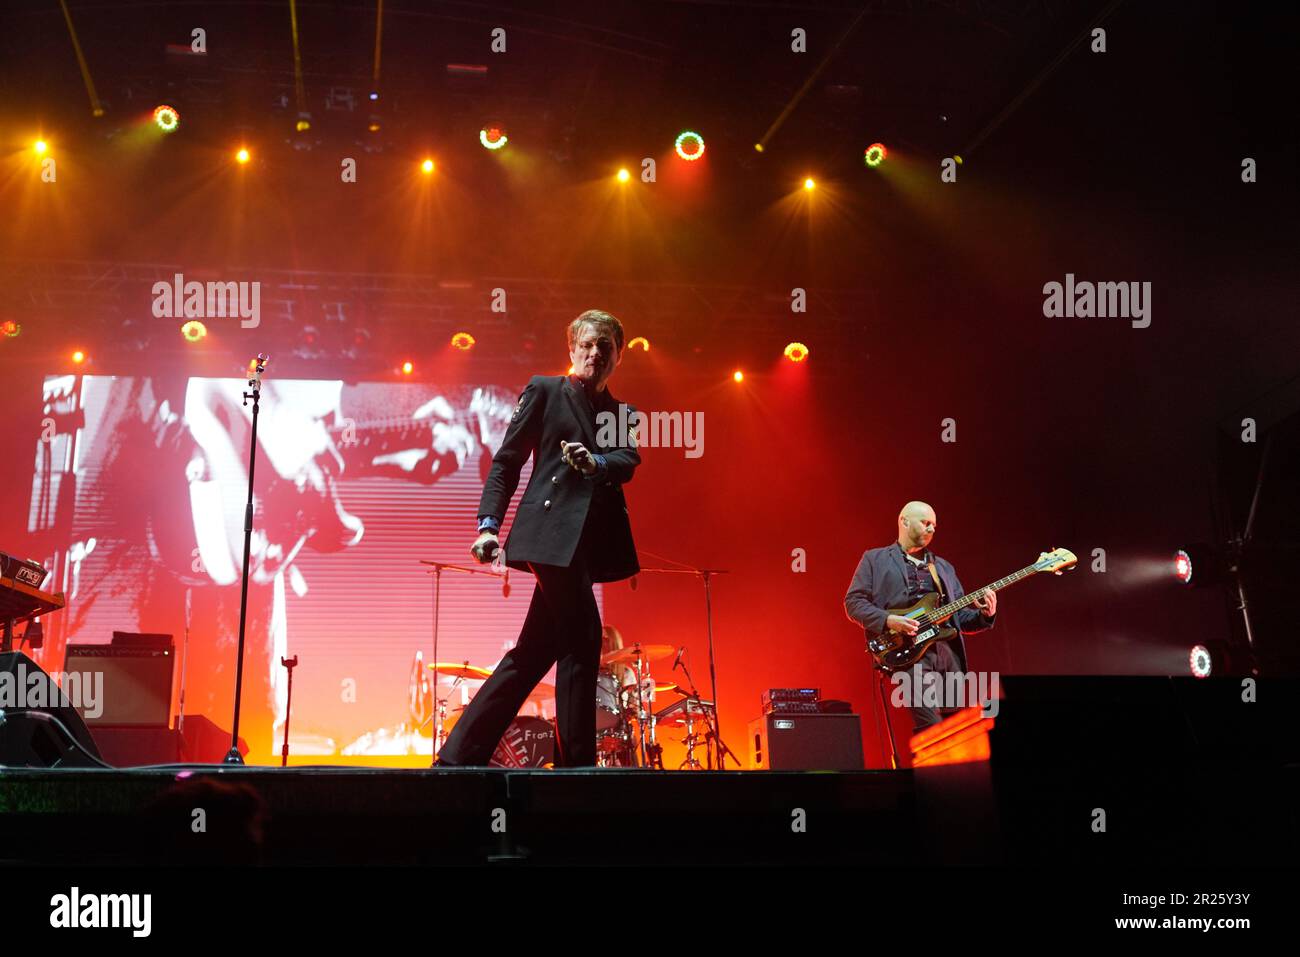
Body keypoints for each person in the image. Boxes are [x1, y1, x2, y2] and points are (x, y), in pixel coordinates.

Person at [435, 310, 641, 767]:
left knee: (533, 653)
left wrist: (597, 464)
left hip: (586, 549)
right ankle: (577, 769)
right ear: (571, 350)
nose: (594, 354)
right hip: (548, 537)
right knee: (586, 636)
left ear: (618, 356)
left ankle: (458, 754)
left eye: (604, 347)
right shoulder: (546, 391)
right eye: (586, 345)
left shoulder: (620, 413)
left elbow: (626, 458)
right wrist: (488, 526)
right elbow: (506, 462)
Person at [843, 501, 997, 732]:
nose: (932, 529)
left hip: (947, 654)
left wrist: (985, 615)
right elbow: (853, 602)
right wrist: (887, 619)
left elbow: (961, 618)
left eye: (934, 525)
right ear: (904, 521)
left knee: (956, 731)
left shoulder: (943, 567)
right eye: (926, 523)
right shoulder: (875, 559)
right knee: (932, 728)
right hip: (908, 652)